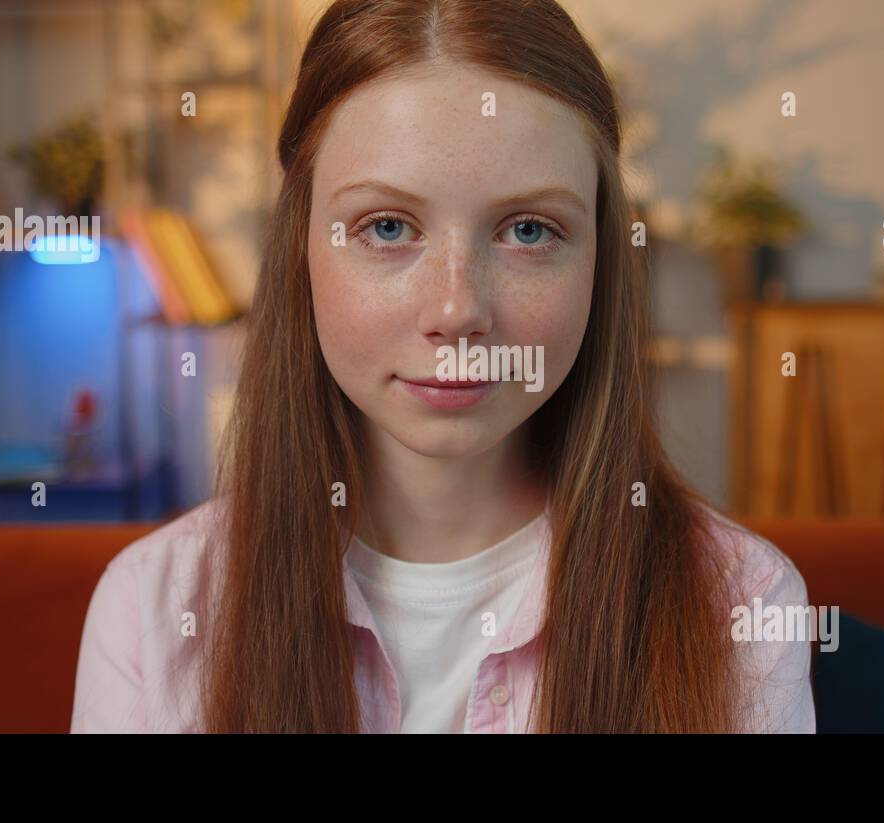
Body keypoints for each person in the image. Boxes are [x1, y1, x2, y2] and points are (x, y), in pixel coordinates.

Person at [71, 0, 815, 734]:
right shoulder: (150, 613)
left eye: (529, 230)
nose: (458, 308)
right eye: (387, 226)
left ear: (602, 257)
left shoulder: (743, 605)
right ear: (300, 246)